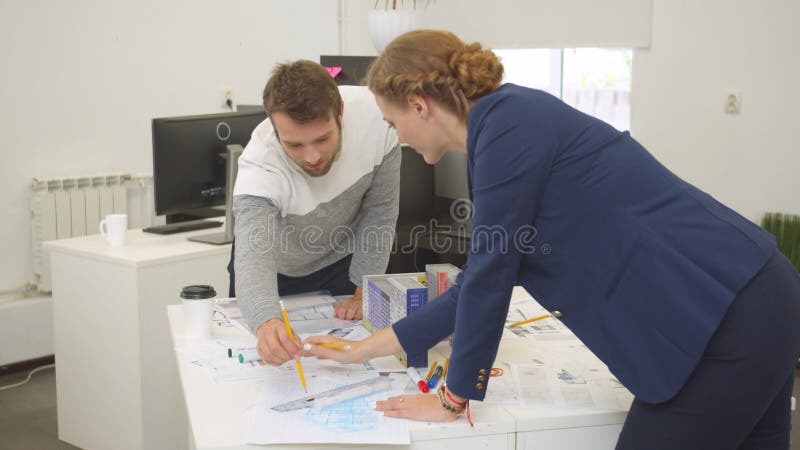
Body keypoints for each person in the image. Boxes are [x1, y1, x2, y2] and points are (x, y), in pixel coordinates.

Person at [303, 30, 800, 449]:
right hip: (751, 296)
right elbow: (479, 279)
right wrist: (362, 350)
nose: (399, 137)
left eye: (394, 122)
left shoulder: (506, 126)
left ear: (419, 104)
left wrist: (453, 397)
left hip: (726, 316)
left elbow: (491, 274)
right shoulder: (505, 126)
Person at [232, 60, 400, 366]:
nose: (311, 157)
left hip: (340, 264)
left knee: (341, 364)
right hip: (274, 271)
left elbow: (380, 211)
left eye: (322, 139)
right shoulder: (259, 164)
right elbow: (253, 256)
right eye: (294, 144)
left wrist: (365, 289)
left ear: (340, 113)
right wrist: (266, 322)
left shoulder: (379, 119)